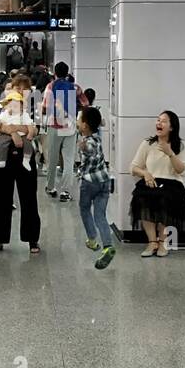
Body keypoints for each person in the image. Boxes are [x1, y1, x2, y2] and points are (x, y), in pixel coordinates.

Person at [129, 110, 185, 258]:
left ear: (171, 127)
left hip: (172, 184)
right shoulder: (148, 143)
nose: (159, 123)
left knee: (166, 199)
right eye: (158, 120)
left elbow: (182, 171)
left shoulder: (180, 145)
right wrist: (145, 173)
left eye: (164, 121)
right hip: (151, 181)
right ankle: (152, 241)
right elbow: (133, 167)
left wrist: (170, 153)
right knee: (141, 197)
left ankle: (163, 242)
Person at [0, 86, 41, 254]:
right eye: (11, 89)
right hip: (4, 156)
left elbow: (35, 129)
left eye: (20, 89)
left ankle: (32, 238)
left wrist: (18, 130)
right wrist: (12, 132)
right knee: (1, 197)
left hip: (24, 156)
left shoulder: (29, 110)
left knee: (29, 198)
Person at [76, 106, 116, 270]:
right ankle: (108, 246)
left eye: (79, 120)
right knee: (100, 215)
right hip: (104, 181)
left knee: (84, 209)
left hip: (89, 183)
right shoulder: (98, 136)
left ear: (85, 125)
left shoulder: (88, 142)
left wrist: (83, 146)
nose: (77, 122)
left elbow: (89, 149)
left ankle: (92, 239)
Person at [42, 61, 81, 202]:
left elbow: (45, 106)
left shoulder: (50, 86)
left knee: (52, 158)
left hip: (54, 126)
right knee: (69, 160)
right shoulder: (73, 87)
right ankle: (65, 191)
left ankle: (51, 187)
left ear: (55, 73)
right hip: (70, 127)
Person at [0, 90, 35, 171]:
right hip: (6, 134)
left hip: (22, 134)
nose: (12, 108)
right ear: (6, 106)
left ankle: (26, 159)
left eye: (15, 106)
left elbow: (29, 125)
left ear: (21, 107)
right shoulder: (4, 114)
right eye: (10, 106)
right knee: (1, 144)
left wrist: (30, 133)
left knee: (28, 144)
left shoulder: (24, 115)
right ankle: (1, 160)